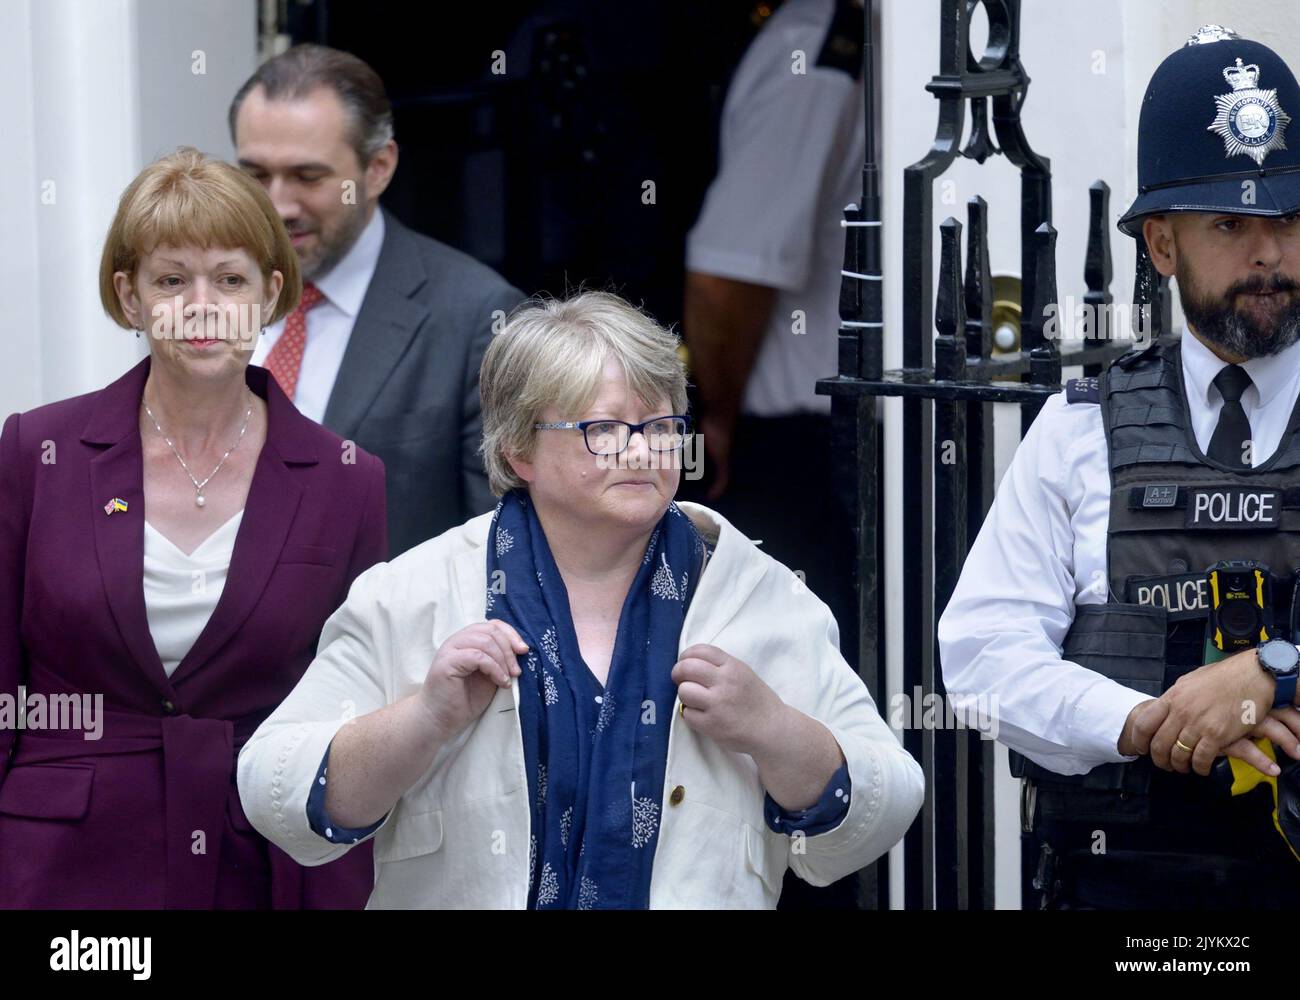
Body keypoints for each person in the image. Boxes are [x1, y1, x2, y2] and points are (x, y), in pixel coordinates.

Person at [238, 291, 922, 908]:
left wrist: (775, 730)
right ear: (518, 452)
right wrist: (424, 718)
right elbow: (278, 789)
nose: (640, 451)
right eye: (603, 429)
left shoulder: (760, 594)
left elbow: (888, 805)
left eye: (660, 427)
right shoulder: (414, 594)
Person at [938, 26, 1300, 909]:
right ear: (1162, 246)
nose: (1269, 254)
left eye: (1287, 219)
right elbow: (982, 655)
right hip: (1126, 886)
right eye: (1229, 223)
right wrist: (1143, 724)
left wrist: (1274, 673)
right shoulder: (1077, 431)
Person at [0, 148, 387, 908]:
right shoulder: (36, 452)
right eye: (172, 280)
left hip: (261, 864)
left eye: (231, 279)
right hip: (59, 872)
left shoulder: (347, 478)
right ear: (131, 296)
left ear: (272, 293)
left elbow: (354, 708)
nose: (203, 305)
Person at [229, 43, 526, 557]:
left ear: (378, 168)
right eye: (256, 175)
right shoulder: (209, 294)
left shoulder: (478, 318)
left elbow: (505, 547)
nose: (277, 205)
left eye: (308, 176)